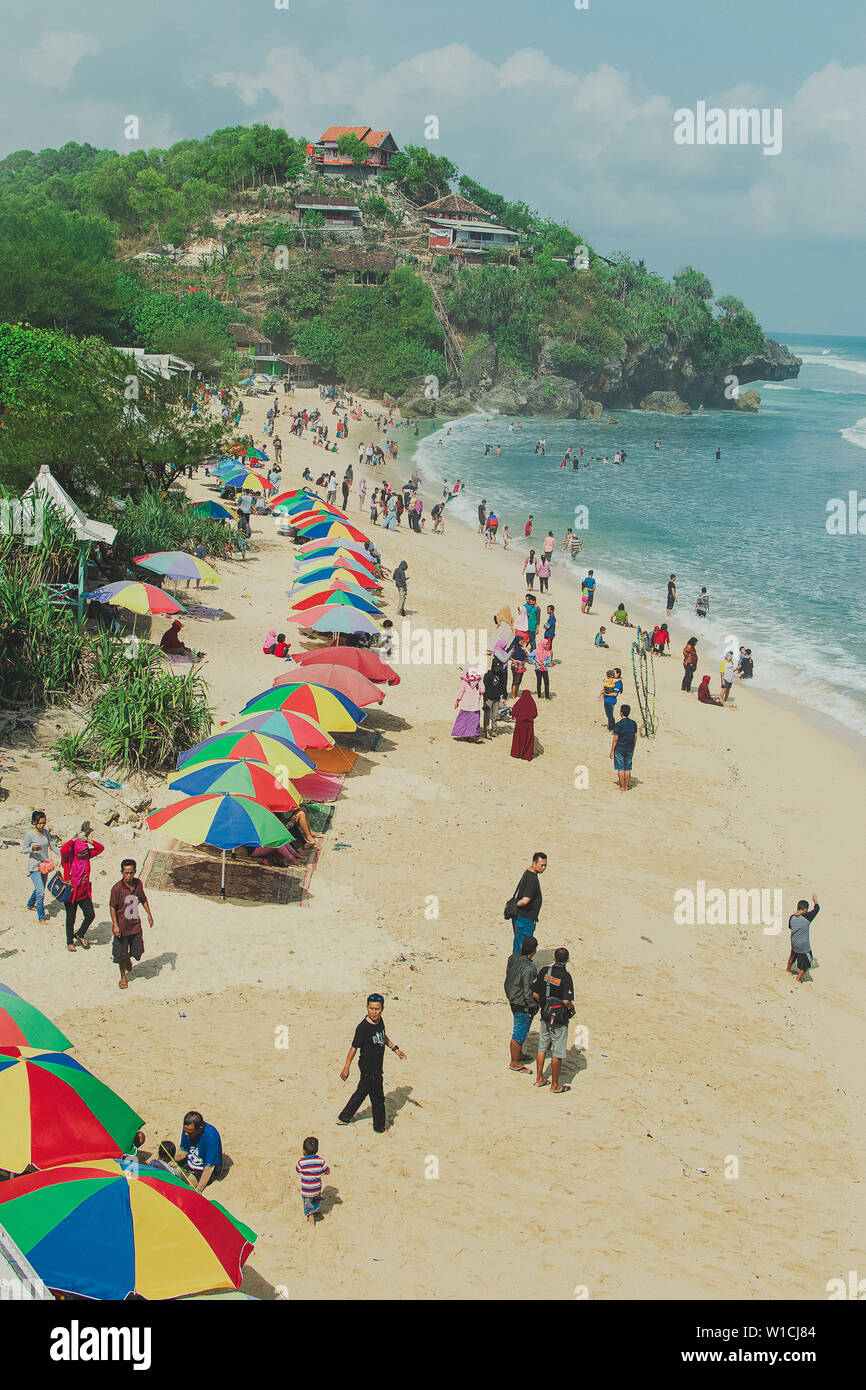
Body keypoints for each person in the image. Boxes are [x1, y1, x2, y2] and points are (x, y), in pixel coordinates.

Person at [338, 994, 405, 1133]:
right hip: (368, 1068)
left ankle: (344, 1117)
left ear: (382, 1009)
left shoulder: (380, 1021)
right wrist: (346, 1067)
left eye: (377, 1009)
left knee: (362, 1092)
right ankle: (379, 1128)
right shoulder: (363, 1028)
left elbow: (383, 1035)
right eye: (371, 1008)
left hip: (377, 1066)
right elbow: (353, 1048)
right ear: (367, 1008)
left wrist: (395, 1049)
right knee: (378, 1099)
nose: (374, 1012)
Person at [534, 947, 575, 1093]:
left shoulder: (545, 971)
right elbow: (566, 1000)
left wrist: (544, 1006)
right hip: (559, 1018)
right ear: (567, 960)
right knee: (557, 1052)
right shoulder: (566, 976)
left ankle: (539, 1078)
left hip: (545, 1015)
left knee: (542, 1047)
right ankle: (555, 1085)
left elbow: (535, 993)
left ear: (553, 957)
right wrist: (572, 1009)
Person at [109, 858, 153, 990]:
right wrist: (115, 925)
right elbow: (112, 907)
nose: (129, 876)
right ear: (122, 872)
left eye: (131, 873)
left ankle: (129, 958)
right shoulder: (117, 889)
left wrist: (149, 914)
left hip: (135, 926)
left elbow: (143, 899)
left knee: (138, 951)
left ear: (134, 872)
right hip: (122, 927)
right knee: (121, 955)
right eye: (126, 873)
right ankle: (123, 977)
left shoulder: (138, 884)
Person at [59, 822, 103, 951]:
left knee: (90, 915)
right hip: (71, 894)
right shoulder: (68, 860)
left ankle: (80, 934)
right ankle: (69, 942)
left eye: (85, 851)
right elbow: (63, 850)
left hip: (83, 892)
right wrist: (74, 840)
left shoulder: (87, 856)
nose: (84, 854)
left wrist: (88, 840)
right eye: (82, 852)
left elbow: (100, 848)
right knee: (71, 918)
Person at [504, 936, 539, 1072]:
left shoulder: (513, 958)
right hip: (521, 1003)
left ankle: (519, 1054)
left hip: (512, 995)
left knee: (521, 1031)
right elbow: (527, 992)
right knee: (519, 1033)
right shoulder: (530, 969)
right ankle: (514, 1062)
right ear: (535, 950)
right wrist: (533, 1007)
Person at [24, 809, 59, 923]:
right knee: (41, 892)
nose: (42, 825)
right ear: (34, 822)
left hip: (45, 866)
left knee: (40, 889)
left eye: (43, 823)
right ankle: (41, 917)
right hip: (34, 866)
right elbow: (24, 850)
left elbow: (52, 846)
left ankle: (30, 904)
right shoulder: (30, 834)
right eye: (39, 823)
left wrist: (64, 854)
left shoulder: (46, 832)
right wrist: (33, 849)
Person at [509, 853, 547, 952]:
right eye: (541, 865)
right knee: (524, 946)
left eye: (545, 865)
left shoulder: (528, 873)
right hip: (526, 919)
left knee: (518, 942)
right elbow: (525, 900)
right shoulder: (532, 879)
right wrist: (516, 905)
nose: (543, 868)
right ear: (534, 863)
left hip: (520, 917)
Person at [177, 1111, 223, 1189]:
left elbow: (209, 1168)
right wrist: (171, 1160)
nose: (186, 1134)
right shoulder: (187, 1130)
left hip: (204, 1168)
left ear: (200, 1129)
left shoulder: (211, 1136)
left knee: (186, 1184)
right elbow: (184, 1151)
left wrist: (199, 1189)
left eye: (190, 1132)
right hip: (191, 1159)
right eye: (185, 1131)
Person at [786, 894, 820, 983]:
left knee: (792, 955)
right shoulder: (807, 917)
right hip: (803, 947)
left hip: (793, 943)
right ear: (805, 910)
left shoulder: (792, 917)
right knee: (807, 964)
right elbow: (817, 909)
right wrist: (815, 901)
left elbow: (790, 927)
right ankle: (797, 979)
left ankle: (788, 970)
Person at [296, 1137, 331, 1224]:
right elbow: (327, 1171)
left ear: (303, 1151)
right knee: (316, 1198)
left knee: (307, 1203)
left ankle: (311, 1215)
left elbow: (297, 1170)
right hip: (317, 1189)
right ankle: (316, 1210)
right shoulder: (321, 1161)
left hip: (307, 1191)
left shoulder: (301, 1162)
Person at [610, 702, 638, 791]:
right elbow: (635, 737)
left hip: (620, 748)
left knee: (621, 768)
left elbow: (615, 739)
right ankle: (626, 786)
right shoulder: (634, 723)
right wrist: (633, 747)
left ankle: (622, 786)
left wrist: (611, 751)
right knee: (628, 768)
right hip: (629, 747)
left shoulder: (618, 724)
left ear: (621, 713)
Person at [451, 668, 483, 741]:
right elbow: (482, 690)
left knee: (464, 720)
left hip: (465, 704)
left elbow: (461, 691)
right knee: (474, 720)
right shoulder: (479, 680)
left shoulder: (465, 681)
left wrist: (457, 701)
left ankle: (466, 735)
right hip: (475, 705)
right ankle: (475, 736)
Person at [510, 688, 538, 762]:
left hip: (520, 724)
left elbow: (513, 711)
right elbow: (535, 713)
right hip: (529, 725)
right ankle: (526, 755)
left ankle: (517, 754)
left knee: (518, 740)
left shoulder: (519, 702)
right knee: (527, 740)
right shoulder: (532, 703)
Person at [482, 657, 508, 738]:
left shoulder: (501, 675)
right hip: (488, 698)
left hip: (497, 698)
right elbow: (484, 688)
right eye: (495, 667)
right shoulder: (488, 675)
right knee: (486, 715)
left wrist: (504, 697)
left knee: (495, 715)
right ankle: (486, 730)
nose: (497, 669)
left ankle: (493, 730)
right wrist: (485, 699)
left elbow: (503, 686)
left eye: (498, 667)